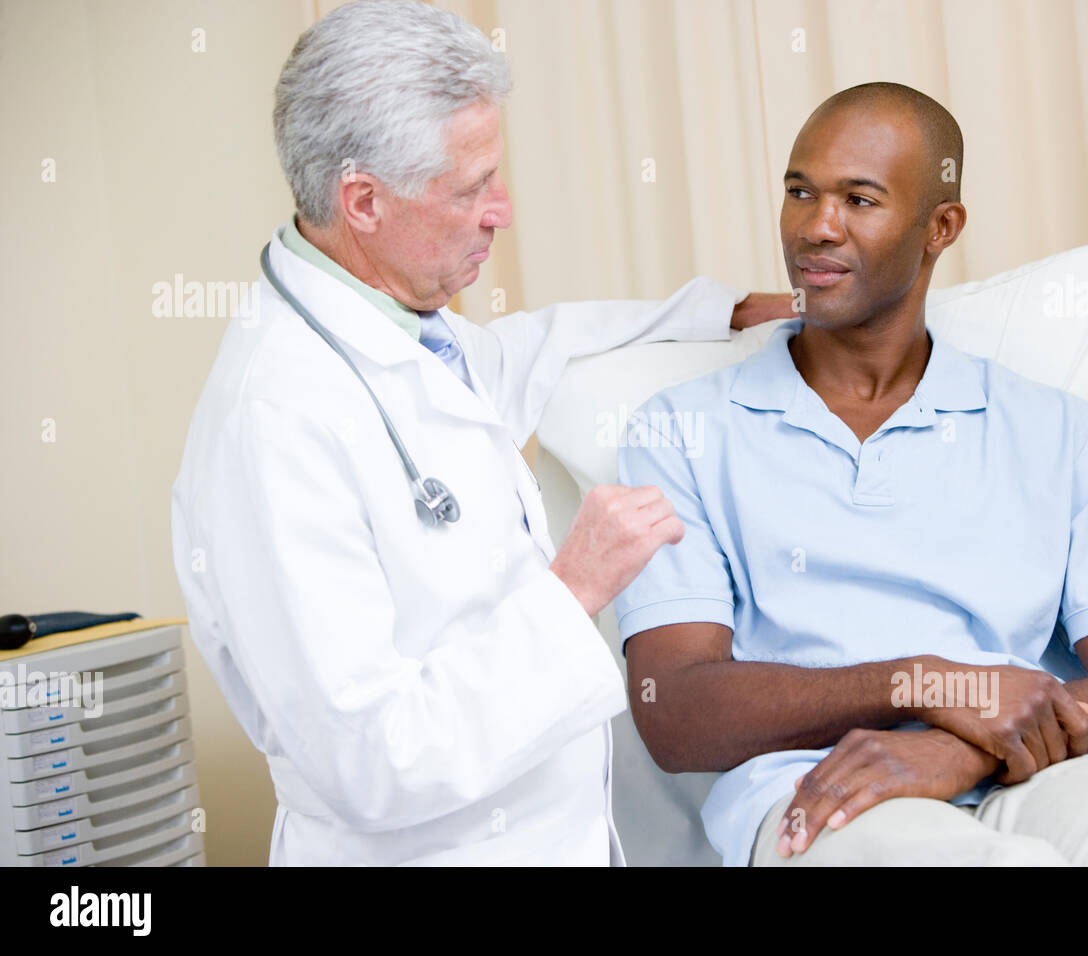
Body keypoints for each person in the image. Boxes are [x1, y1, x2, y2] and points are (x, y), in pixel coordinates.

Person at [170, 0, 789, 866]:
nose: (502, 212)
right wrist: (570, 590)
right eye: (470, 190)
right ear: (364, 201)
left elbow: (533, 348)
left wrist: (718, 312)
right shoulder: (274, 425)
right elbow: (367, 760)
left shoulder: (406, 327)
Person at [615, 82, 1088, 866]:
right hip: (823, 789)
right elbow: (675, 711)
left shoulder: (1060, 433)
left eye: (858, 199)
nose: (815, 227)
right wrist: (927, 683)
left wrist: (966, 747)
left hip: (1034, 775)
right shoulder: (682, 431)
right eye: (801, 192)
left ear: (941, 226)